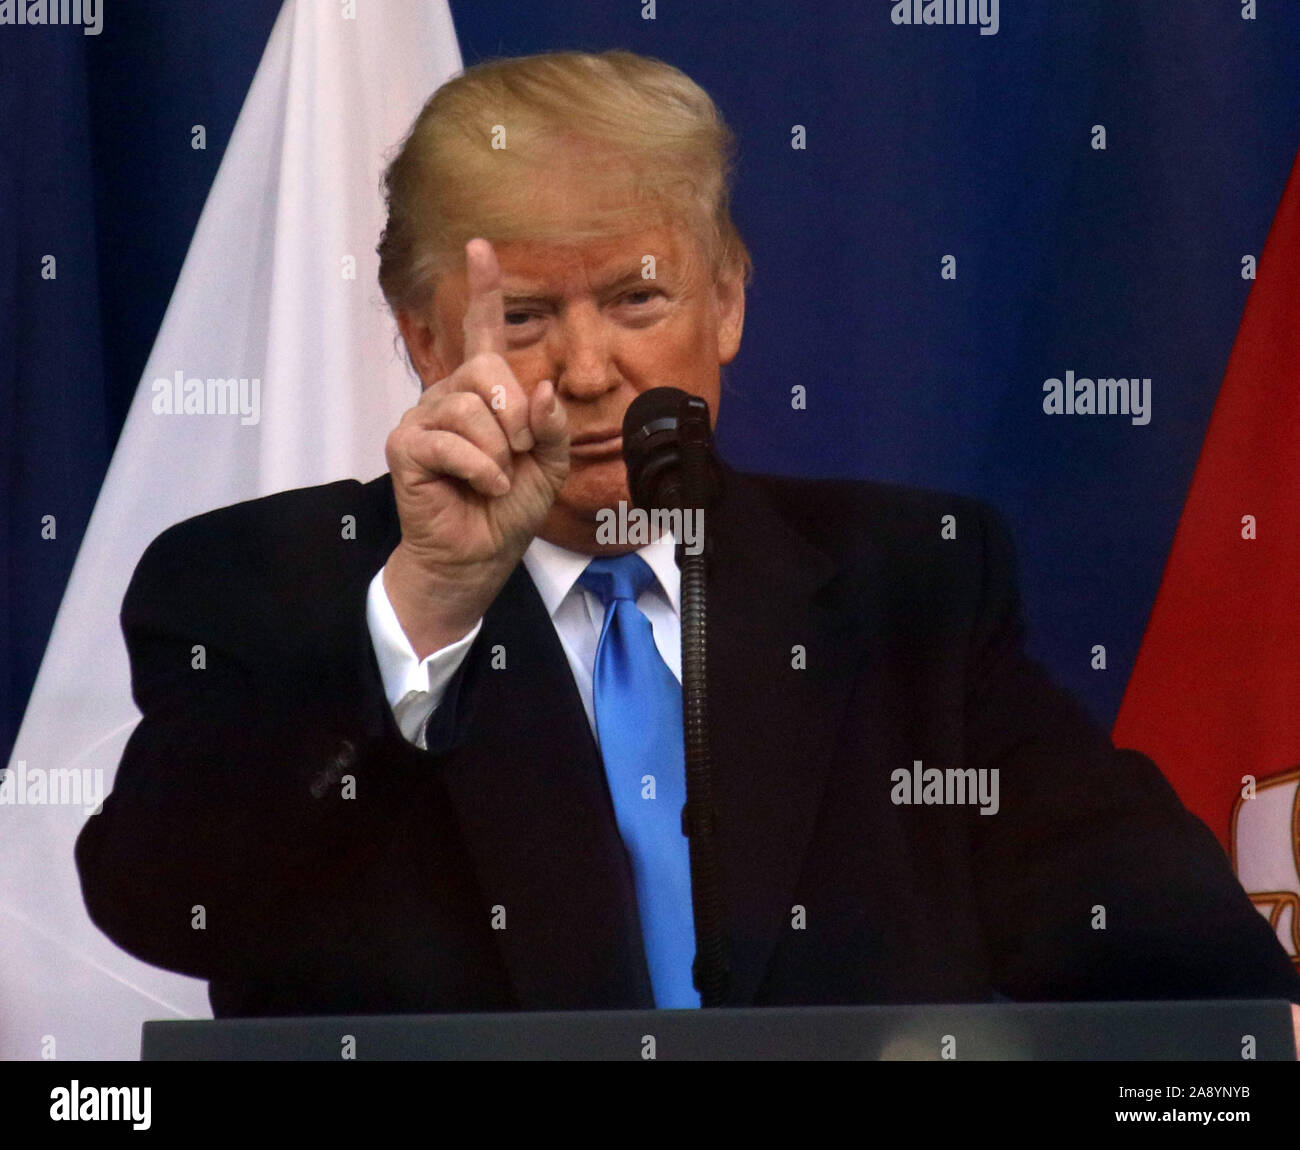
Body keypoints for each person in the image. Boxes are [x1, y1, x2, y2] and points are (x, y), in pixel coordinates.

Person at [76, 50, 1300, 1017]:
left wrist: (1260, 1022)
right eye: (525, 314)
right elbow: (165, 903)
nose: (589, 367)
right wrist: (428, 609)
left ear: (728, 300)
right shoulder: (261, 585)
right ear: (424, 338)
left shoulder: (906, 581)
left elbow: (1131, 912)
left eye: (638, 297)